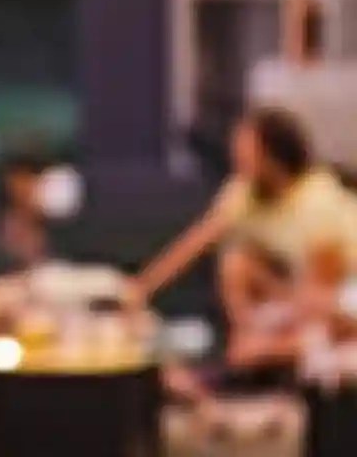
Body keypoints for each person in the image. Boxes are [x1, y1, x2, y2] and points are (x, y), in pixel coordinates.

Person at [133, 106, 357, 369]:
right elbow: (193, 244)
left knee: (309, 321)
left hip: (342, 292)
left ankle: (272, 351)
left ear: (271, 156)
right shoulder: (242, 192)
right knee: (236, 262)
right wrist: (139, 289)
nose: (236, 155)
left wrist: (275, 329)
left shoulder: (319, 202)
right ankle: (261, 349)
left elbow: (322, 290)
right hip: (298, 293)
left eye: (245, 149)